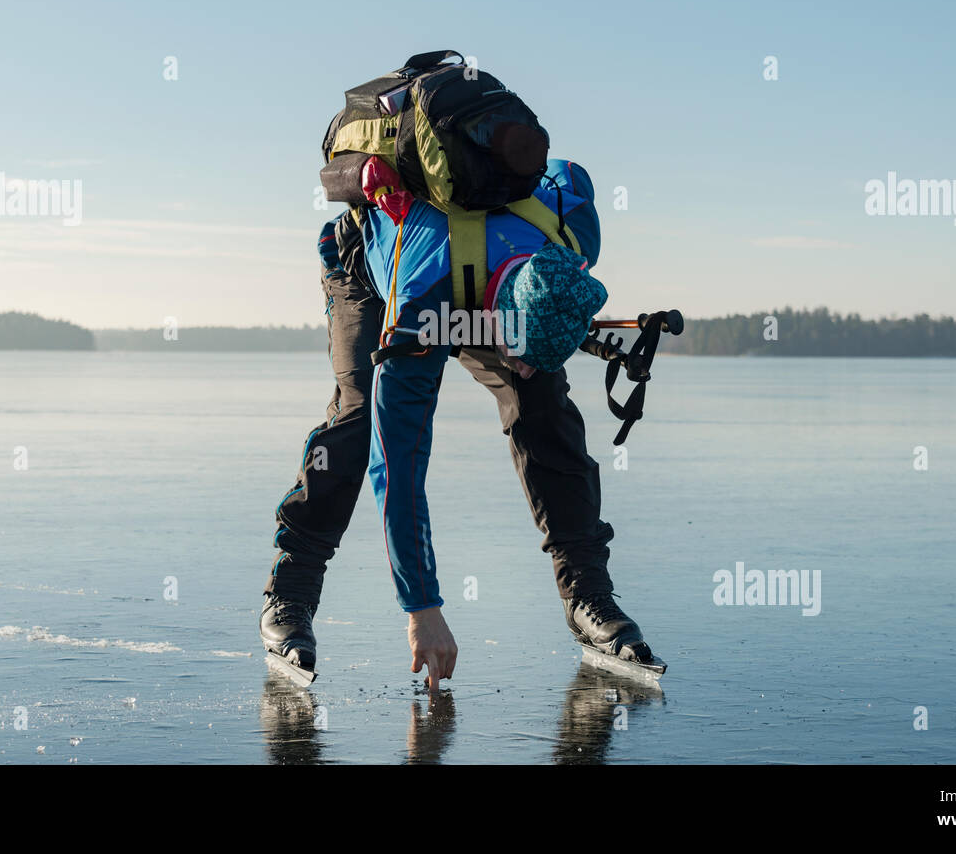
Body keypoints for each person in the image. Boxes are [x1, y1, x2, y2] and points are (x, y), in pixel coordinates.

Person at [260, 156, 658, 691]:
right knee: (360, 422)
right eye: (516, 352)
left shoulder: (568, 233)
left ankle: (589, 595)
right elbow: (396, 461)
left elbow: (565, 173)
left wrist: (538, 346)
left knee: (544, 406)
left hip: (490, 271)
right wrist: (422, 608)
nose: (516, 364)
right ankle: (291, 590)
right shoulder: (423, 299)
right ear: (493, 319)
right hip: (369, 268)